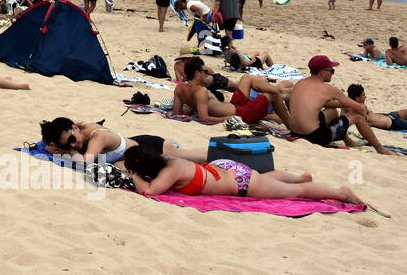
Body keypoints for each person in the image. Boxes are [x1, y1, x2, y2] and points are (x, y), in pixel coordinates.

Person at [121, 147, 360, 203]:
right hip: (228, 168)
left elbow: (149, 191)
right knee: (264, 178)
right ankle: (297, 176)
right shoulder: (171, 161)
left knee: (295, 194)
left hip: (240, 182)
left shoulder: (169, 172)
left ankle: (340, 192)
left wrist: (133, 175)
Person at [286, 56, 373, 148]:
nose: (332, 73)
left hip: (295, 133)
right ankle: (379, 148)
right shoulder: (329, 89)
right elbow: (360, 108)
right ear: (322, 72)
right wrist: (362, 110)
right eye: (332, 71)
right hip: (314, 137)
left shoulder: (300, 83)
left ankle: (348, 141)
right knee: (358, 116)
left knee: (332, 112)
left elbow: (326, 103)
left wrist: (345, 105)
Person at [39, 117, 200, 164]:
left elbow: (84, 163)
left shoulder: (97, 137)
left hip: (150, 147)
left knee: (195, 157)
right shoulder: (80, 126)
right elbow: (51, 142)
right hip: (135, 147)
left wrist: (69, 150)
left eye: (72, 139)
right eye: (68, 143)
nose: (74, 144)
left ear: (75, 128)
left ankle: (224, 148)